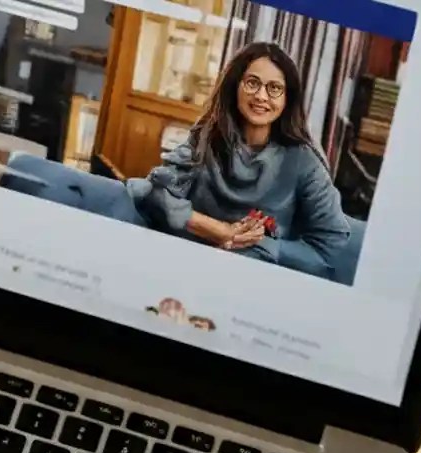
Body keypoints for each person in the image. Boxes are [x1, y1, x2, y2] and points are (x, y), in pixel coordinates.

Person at [131, 42, 352, 279]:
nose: (261, 96)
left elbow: (331, 245)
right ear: (235, 86)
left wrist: (262, 246)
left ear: (288, 98)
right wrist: (220, 231)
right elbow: (155, 191)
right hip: (185, 266)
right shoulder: (206, 137)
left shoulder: (304, 161)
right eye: (252, 83)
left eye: (275, 88)